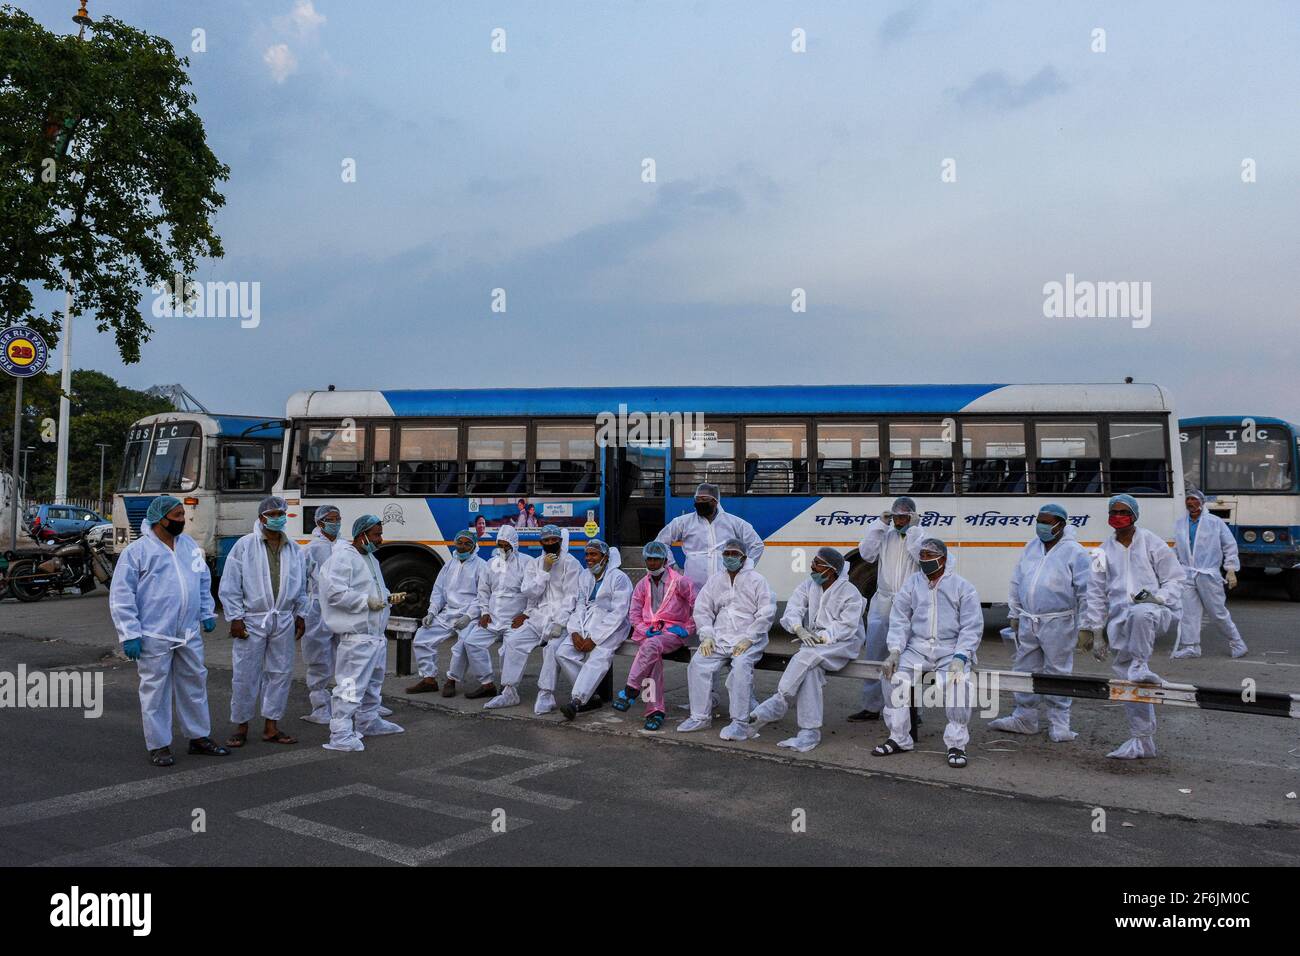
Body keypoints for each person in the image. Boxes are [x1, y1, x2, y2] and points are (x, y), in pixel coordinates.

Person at [109, 495, 229, 767]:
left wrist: (207, 612)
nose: (181, 521)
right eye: (176, 516)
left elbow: (202, 581)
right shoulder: (137, 552)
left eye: (182, 515)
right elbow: (121, 596)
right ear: (159, 519)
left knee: (194, 684)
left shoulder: (189, 547)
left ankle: (198, 737)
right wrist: (130, 634)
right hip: (154, 634)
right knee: (155, 690)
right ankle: (159, 744)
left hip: (188, 632)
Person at [1079, 494, 1182, 759]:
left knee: (1140, 612)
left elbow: (1175, 579)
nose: (1118, 516)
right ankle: (1142, 740)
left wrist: (1158, 597)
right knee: (1128, 680)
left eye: (1123, 511)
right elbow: (1095, 592)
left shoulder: (1152, 543)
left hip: (1152, 612)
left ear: (1135, 514)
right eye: (1113, 511)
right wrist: (1096, 632)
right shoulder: (1102, 551)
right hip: (1119, 621)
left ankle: (1141, 662)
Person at [871, 538, 981, 769]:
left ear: (942, 559)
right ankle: (899, 738)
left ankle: (956, 745)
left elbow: (971, 626)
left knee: (958, 683)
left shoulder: (962, 587)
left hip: (950, 649)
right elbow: (900, 619)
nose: (924, 561)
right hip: (917, 648)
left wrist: (961, 657)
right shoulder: (912, 584)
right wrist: (894, 651)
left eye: (929, 557)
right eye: (921, 557)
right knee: (891, 676)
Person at [988, 504, 1091, 741]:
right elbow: (1017, 580)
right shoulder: (1031, 547)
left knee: (1058, 672)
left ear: (1061, 525)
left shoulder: (1075, 552)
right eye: (1039, 521)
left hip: (1059, 622)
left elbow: (1087, 591)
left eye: (1047, 522)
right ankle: (1025, 717)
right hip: (1028, 620)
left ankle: (1060, 723)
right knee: (1024, 669)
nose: (1041, 526)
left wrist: (1087, 626)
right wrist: (1014, 613)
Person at [746, 547, 864, 752]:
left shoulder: (849, 592)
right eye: (814, 562)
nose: (812, 566)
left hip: (844, 642)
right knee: (810, 671)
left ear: (831, 570)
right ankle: (809, 732)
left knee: (807, 655)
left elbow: (847, 626)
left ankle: (779, 700)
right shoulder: (809, 585)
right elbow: (793, 608)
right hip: (816, 644)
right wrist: (798, 628)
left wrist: (823, 636)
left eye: (817, 563)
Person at [220, 495, 308, 747]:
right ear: (261, 518)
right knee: (246, 673)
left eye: (281, 514)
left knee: (280, 672)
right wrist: (235, 617)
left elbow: (301, 586)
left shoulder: (294, 549)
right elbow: (230, 585)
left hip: (283, 618)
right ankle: (241, 725)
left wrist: (301, 615)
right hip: (252, 618)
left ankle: (271, 726)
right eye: (273, 514)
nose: (278, 518)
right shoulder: (245, 546)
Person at [319, 514, 406, 751]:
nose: (380, 539)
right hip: (356, 636)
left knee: (372, 684)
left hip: (375, 635)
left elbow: (375, 590)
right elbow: (334, 594)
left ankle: (368, 721)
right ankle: (340, 733)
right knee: (349, 685)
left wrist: (387, 598)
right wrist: (366, 602)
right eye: (377, 534)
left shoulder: (369, 559)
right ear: (362, 534)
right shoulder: (343, 559)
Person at [677, 538, 776, 740]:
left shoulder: (757, 580)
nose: (730, 558)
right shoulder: (716, 580)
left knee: (740, 668)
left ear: (744, 557)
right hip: (720, 638)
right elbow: (703, 608)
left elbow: (767, 612)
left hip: (748, 638)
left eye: (734, 554)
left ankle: (740, 722)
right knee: (698, 664)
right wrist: (706, 634)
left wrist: (750, 638)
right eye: (727, 554)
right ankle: (700, 716)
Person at [485, 524, 581, 709]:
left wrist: (560, 623)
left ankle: (546, 694)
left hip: (560, 621)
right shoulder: (535, 563)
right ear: (541, 543)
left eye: (554, 540)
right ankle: (509, 691)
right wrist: (544, 571)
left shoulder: (571, 563)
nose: (551, 543)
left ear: (560, 541)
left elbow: (571, 597)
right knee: (513, 642)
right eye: (547, 540)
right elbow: (529, 592)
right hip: (538, 618)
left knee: (552, 648)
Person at [535, 539, 633, 720]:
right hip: (585, 622)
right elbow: (579, 605)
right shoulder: (585, 576)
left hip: (612, 627)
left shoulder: (619, 578)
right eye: (587, 554)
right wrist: (574, 632)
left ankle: (577, 700)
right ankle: (591, 695)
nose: (589, 558)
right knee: (563, 652)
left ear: (605, 557)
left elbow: (618, 612)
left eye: (594, 554)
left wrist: (594, 639)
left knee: (599, 657)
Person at [848, 496, 924, 722]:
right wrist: (879, 525)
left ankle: (912, 709)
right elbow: (866, 553)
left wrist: (913, 530)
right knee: (875, 652)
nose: (899, 521)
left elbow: (920, 556)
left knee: (910, 656)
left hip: (909, 603)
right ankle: (871, 706)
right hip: (883, 601)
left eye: (904, 517)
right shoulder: (886, 535)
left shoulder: (921, 536)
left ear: (912, 516)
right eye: (896, 517)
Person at [613, 540, 698, 730]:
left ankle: (631, 689)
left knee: (650, 647)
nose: (651, 563)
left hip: (672, 633)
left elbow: (698, 606)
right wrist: (643, 629)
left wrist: (688, 628)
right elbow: (634, 612)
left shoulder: (680, 581)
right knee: (653, 661)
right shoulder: (643, 584)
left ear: (665, 560)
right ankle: (655, 712)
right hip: (650, 633)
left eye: (656, 559)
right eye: (649, 559)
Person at [443, 523, 535, 700]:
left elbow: (533, 593)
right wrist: (485, 612)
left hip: (515, 619)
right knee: (471, 642)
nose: (502, 548)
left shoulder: (526, 563)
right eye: (499, 545)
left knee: (510, 649)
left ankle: (508, 687)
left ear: (514, 544)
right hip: (492, 618)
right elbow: (483, 591)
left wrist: (526, 614)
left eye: (506, 545)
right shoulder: (491, 563)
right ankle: (487, 684)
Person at [406, 528, 486, 694]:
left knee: (461, 646)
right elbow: (438, 591)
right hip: (447, 613)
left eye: (467, 544)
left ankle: (452, 680)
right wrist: (432, 612)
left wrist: (469, 615)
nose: (462, 547)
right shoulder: (450, 564)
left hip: (469, 616)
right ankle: (429, 679)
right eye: (459, 543)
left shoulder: (481, 566)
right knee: (422, 637)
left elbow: (482, 596)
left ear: (474, 546)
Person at [1171, 489, 1246, 659]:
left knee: (1217, 611)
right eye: (1188, 499)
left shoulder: (1214, 522)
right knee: (1188, 611)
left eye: (1194, 499)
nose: (1190, 503)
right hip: (1187, 573)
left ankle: (1236, 641)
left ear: (1201, 502)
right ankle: (1191, 646)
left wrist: (1231, 569)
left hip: (1208, 574)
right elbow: (1177, 548)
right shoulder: (1181, 523)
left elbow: (1229, 545)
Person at [654, 482, 764, 587]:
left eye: (704, 499)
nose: (700, 502)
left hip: (724, 585)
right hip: (692, 586)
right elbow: (660, 542)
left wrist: (743, 569)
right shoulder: (682, 522)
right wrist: (673, 567)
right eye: (697, 499)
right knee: (694, 606)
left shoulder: (734, 522)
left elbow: (757, 544)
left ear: (715, 501)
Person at [300, 505, 342, 724]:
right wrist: (299, 610)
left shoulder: (344, 547)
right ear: (319, 523)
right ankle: (320, 707)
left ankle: (349, 703)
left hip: (343, 607)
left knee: (346, 657)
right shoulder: (311, 549)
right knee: (318, 657)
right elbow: (300, 580)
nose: (335, 523)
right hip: (317, 608)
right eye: (331, 519)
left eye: (338, 518)